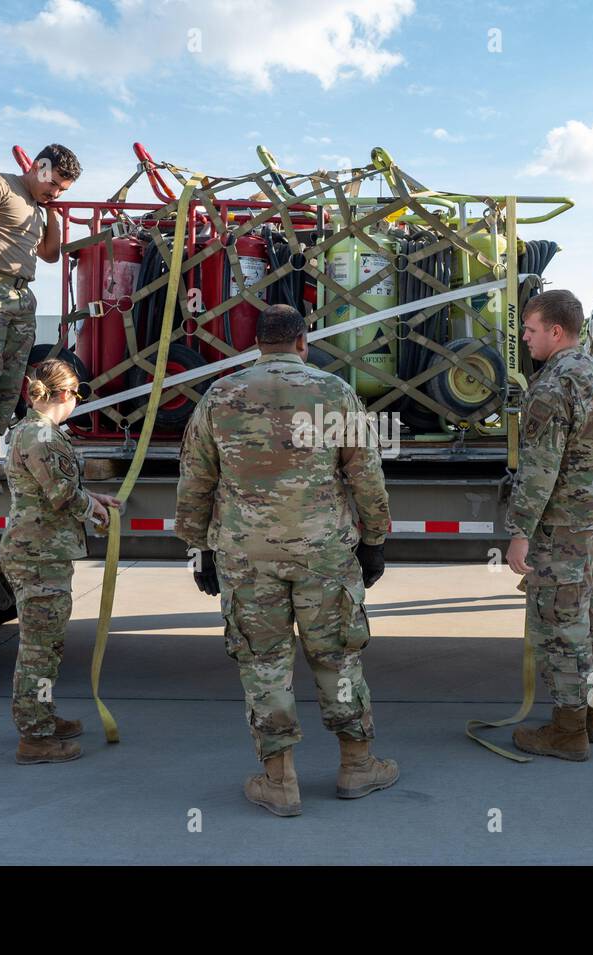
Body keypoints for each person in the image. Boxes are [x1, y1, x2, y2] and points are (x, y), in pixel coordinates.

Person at [175, 304, 395, 817]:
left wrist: (200, 547)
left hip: (245, 554)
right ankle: (357, 767)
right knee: (337, 656)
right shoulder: (333, 392)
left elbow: (195, 481)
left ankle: (280, 781)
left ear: (257, 346)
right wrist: (376, 539)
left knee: (263, 663)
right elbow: (366, 473)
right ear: (303, 341)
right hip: (323, 554)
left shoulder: (221, 395)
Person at [504, 290, 593, 761]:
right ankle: (589, 715)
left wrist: (519, 533)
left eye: (531, 331)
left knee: (559, 622)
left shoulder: (552, 384)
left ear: (556, 332)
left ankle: (567, 731)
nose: (526, 339)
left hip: (565, 526)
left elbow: (539, 468)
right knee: (589, 616)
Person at [0, 358, 122, 764]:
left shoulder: (32, 431)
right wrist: (95, 510)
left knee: (46, 645)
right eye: (77, 394)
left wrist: (95, 499)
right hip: (39, 556)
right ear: (67, 394)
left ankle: (43, 717)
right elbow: (61, 496)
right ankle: (34, 739)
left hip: (39, 551)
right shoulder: (42, 436)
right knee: (38, 649)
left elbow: (58, 487)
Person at [0, 143, 82, 494]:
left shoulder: (40, 208)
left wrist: (53, 211)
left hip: (21, 297)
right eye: (53, 184)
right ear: (39, 167)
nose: (54, 192)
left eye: (61, 190)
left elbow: (51, 254)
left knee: (10, 384)